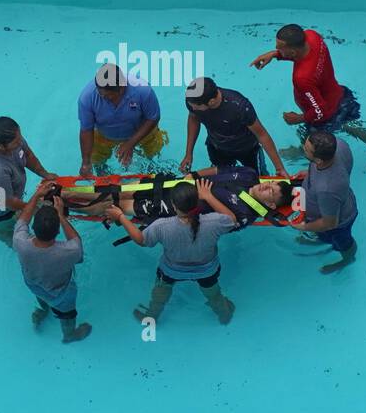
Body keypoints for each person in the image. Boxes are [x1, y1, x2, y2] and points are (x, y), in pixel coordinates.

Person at [250, 23, 366, 169]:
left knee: (311, 137)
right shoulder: (312, 36)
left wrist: (297, 118)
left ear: (293, 52)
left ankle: (302, 151)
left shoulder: (303, 78)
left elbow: (320, 112)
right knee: (349, 126)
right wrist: (275, 55)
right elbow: (303, 55)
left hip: (326, 112)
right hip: (340, 95)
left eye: (280, 48)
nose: (277, 49)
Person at [107, 179, 237, 324]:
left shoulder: (162, 226)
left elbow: (141, 240)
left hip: (171, 270)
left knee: (160, 293)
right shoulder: (214, 222)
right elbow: (232, 220)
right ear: (197, 202)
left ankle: (151, 317)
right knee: (214, 295)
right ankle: (224, 315)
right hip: (207, 271)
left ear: (174, 206)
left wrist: (120, 216)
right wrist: (208, 196)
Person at [62, 165, 293, 229]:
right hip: (178, 184)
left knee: (117, 204)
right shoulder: (249, 174)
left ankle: (73, 208)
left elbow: (229, 221)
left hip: (178, 206)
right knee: (119, 190)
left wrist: (206, 195)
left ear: (270, 204)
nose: (268, 186)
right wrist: (193, 174)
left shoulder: (246, 214)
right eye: (271, 184)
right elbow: (216, 170)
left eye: (271, 192)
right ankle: (68, 193)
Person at [13, 182, 91, 343]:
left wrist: (36, 195)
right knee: (67, 314)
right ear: (57, 232)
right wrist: (61, 216)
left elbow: (22, 219)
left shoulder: (20, 242)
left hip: (33, 283)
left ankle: (43, 310)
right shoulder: (67, 252)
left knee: (41, 295)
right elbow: (77, 243)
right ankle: (69, 335)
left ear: (33, 227)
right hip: (61, 294)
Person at [0, 116, 57, 244]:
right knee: (9, 230)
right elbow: (5, 202)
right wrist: (31, 207)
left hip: (1, 193)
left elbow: (27, 155)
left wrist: (45, 174)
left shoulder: (13, 137)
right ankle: (0, 231)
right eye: (16, 142)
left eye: (20, 137)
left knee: (18, 212)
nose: (20, 142)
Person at [180, 76, 288, 176]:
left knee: (255, 179)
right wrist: (188, 154)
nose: (193, 109)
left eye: (196, 107)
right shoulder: (193, 101)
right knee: (222, 179)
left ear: (211, 102)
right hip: (217, 148)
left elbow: (262, 135)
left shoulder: (240, 107)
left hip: (248, 150)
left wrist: (279, 168)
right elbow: (193, 118)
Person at [78, 64, 168, 175]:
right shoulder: (87, 97)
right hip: (104, 135)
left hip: (141, 131)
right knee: (96, 159)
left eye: (107, 96)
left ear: (122, 89)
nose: (102, 97)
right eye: (100, 93)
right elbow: (86, 130)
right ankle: (102, 172)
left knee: (153, 152)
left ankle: (149, 166)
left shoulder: (143, 90)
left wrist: (131, 143)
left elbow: (153, 118)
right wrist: (86, 163)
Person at [290, 131, 359, 274]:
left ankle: (347, 260)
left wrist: (303, 227)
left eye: (306, 149)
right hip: (336, 201)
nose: (303, 147)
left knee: (343, 243)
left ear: (319, 160)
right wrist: (310, 173)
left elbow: (330, 223)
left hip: (339, 223)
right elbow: (344, 170)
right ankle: (321, 238)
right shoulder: (339, 145)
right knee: (324, 235)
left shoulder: (327, 189)